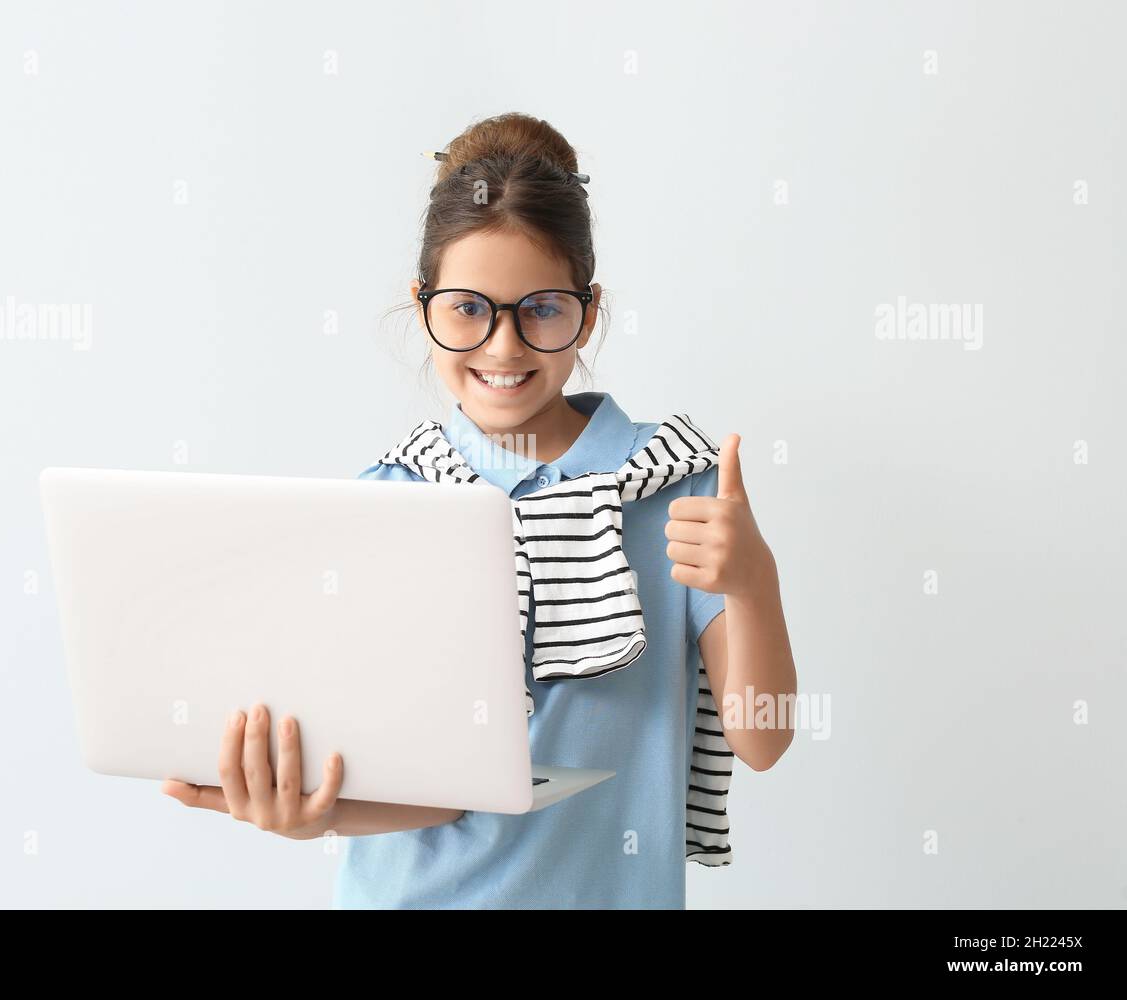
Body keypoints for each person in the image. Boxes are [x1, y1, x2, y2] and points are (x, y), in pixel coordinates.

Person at [162, 112, 798, 909]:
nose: (502, 348)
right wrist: (302, 815)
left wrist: (754, 584)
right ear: (422, 305)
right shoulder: (388, 498)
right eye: (468, 308)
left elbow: (762, 740)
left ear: (587, 312)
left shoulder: (677, 488)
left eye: (540, 309)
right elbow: (433, 790)